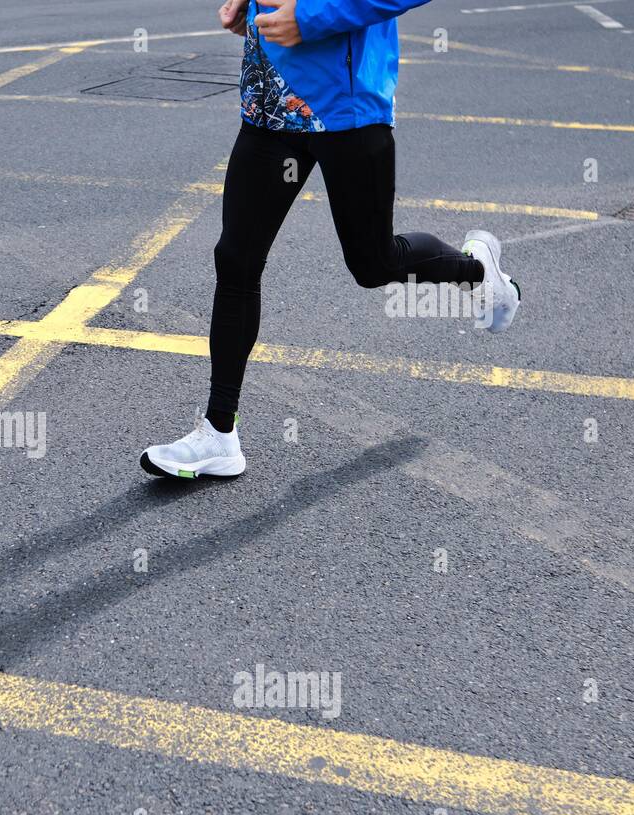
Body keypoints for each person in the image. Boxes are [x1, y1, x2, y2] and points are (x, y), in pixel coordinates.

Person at [140, 0, 520, 479]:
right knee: (236, 259)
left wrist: (312, 17)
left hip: (347, 110)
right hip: (271, 102)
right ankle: (218, 433)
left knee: (373, 264)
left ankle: (478, 271)